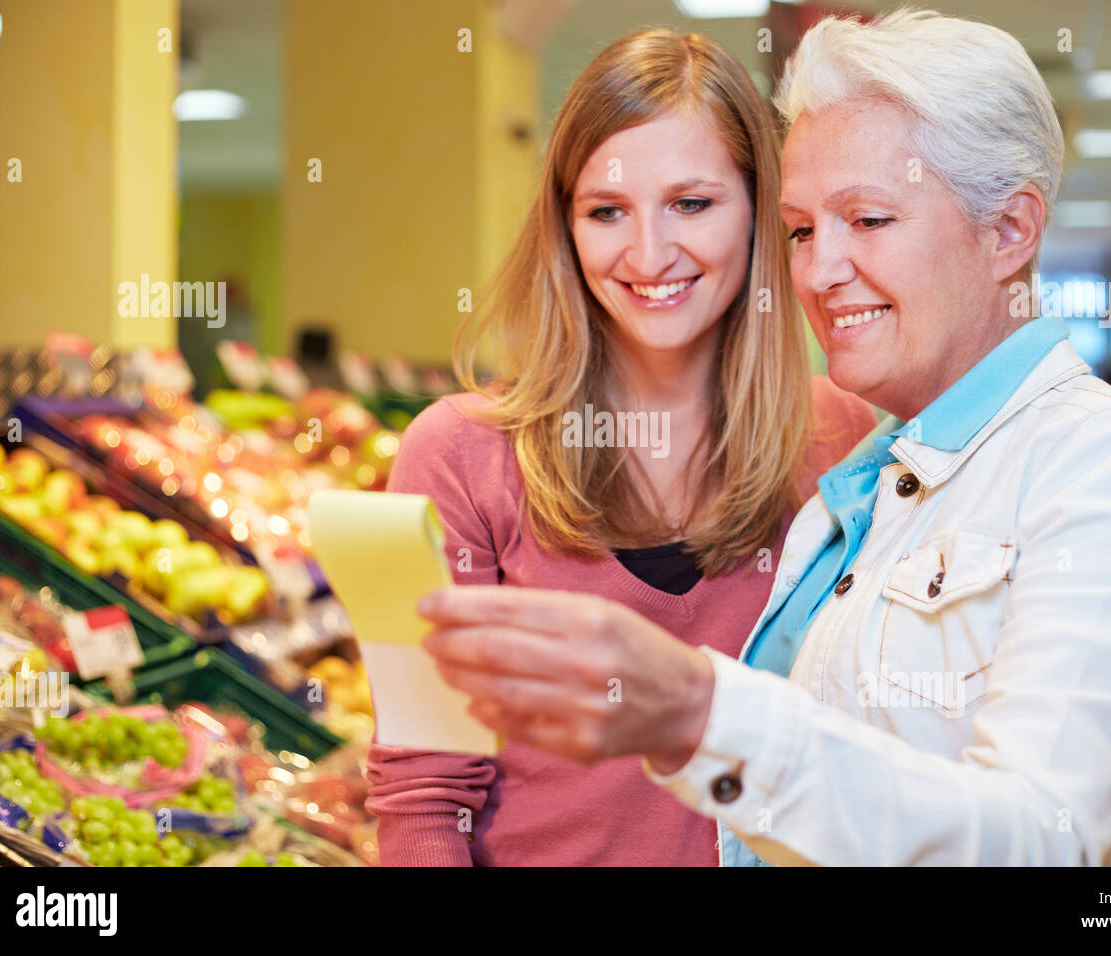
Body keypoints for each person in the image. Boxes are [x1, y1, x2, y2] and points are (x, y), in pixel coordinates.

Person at [418, 9, 1111, 866]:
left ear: (1010, 231)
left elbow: (1039, 837)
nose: (818, 270)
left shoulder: (1105, 463)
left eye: (869, 220)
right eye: (803, 230)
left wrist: (696, 711)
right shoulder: (874, 475)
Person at [364, 29, 878, 865]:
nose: (648, 254)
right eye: (607, 211)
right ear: (565, 227)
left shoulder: (844, 443)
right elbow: (422, 795)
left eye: (692, 203)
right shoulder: (451, 455)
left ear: (761, 209)